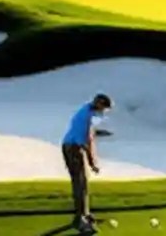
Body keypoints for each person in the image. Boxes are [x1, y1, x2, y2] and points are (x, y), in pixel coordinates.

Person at [62, 93, 113, 234]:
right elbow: (87, 141)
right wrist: (92, 163)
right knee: (79, 183)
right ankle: (81, 221)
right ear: (99, 104)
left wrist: (97, 133)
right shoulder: (88, 116)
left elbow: (89, 133)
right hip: (72, 148)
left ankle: (85, 215)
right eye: (104, 108)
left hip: (72, 146)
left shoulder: (87, 109)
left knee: (83, 182)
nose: (103, 111)